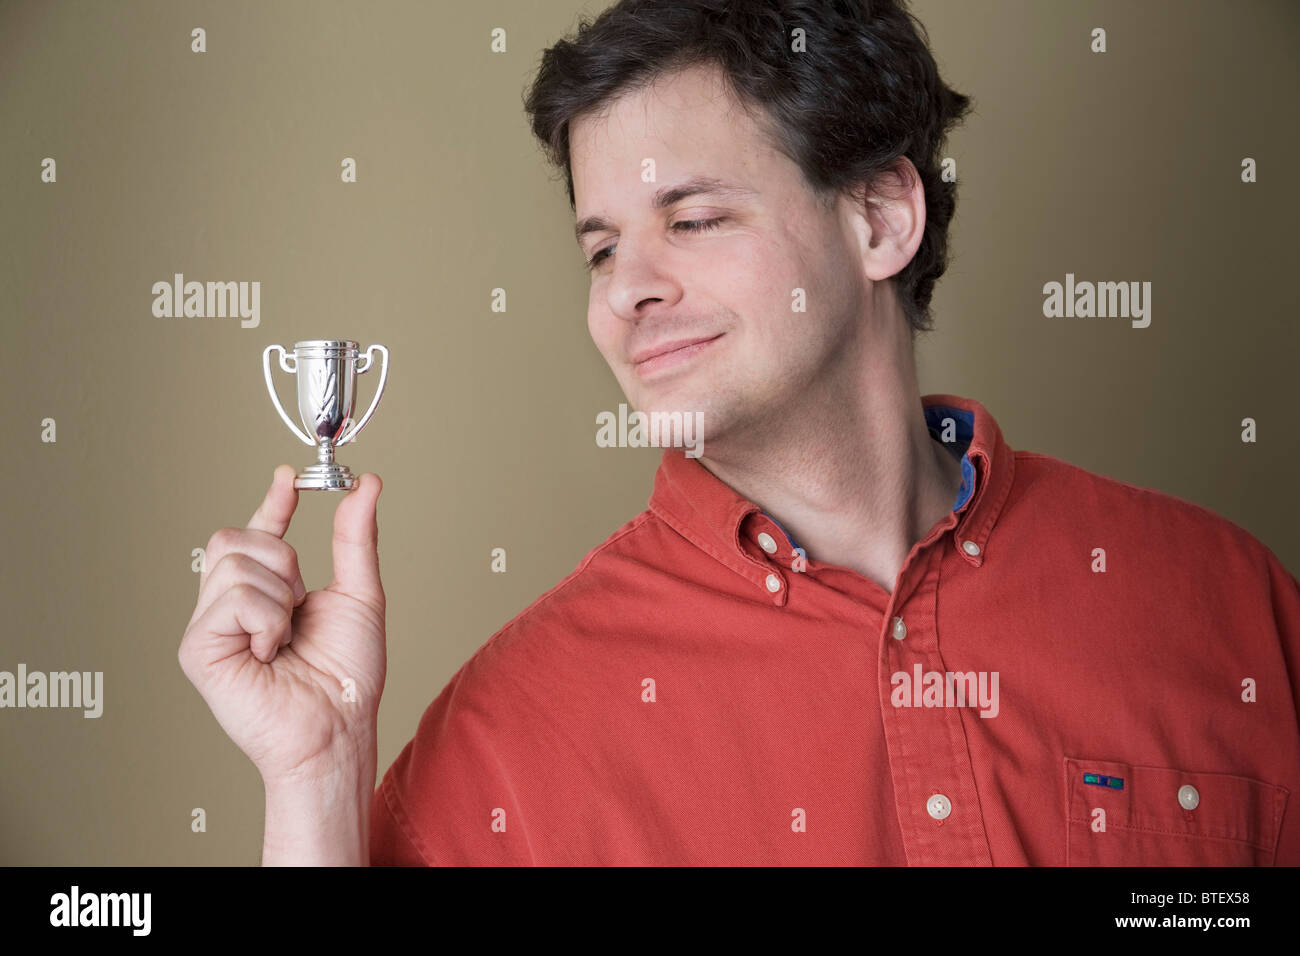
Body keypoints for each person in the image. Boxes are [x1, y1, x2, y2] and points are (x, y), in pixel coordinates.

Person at [179, 0, 1300, 865]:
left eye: (693, 219)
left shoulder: (1229, 602)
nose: (626, 292)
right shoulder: (505, 737)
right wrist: (314, 787)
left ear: (879, 217)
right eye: (601, 247)